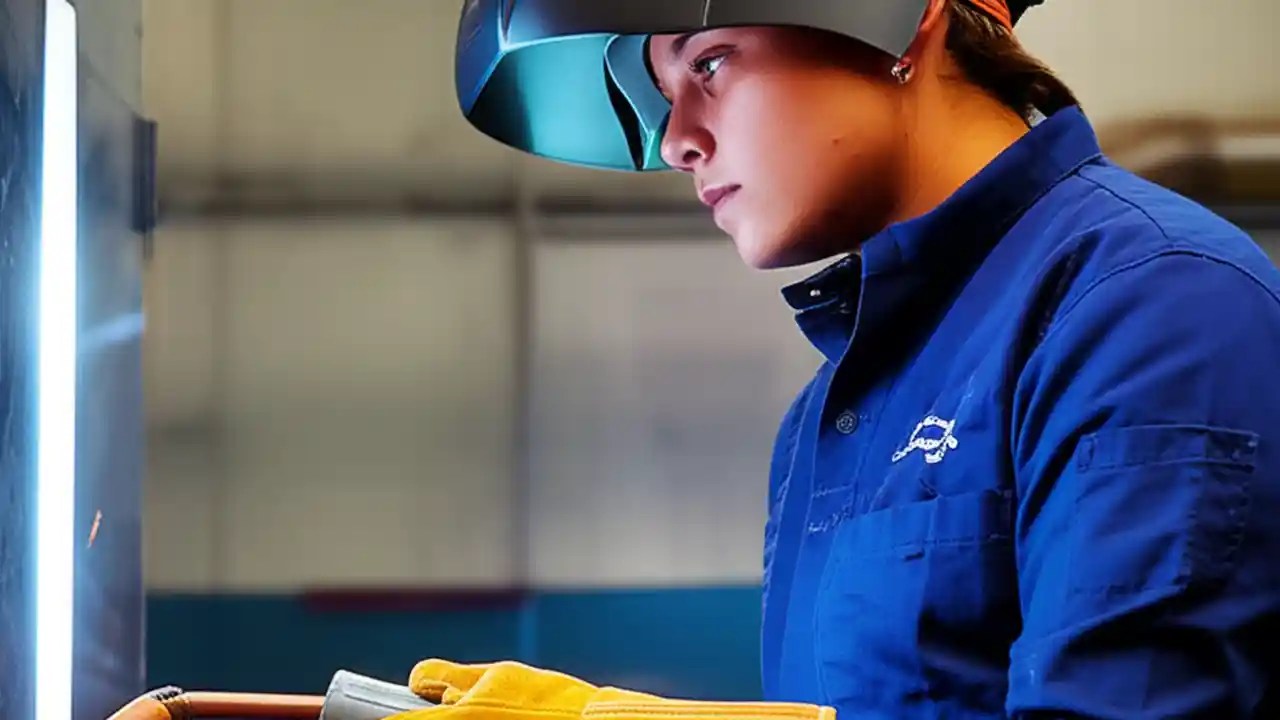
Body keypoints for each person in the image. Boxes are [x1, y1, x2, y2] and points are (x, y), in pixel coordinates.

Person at [400, 0, 1280, 718]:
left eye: (708, 63)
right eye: (664, 91)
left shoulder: (1149, 305)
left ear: (904, 20)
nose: (677, 140)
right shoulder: (828, 413)